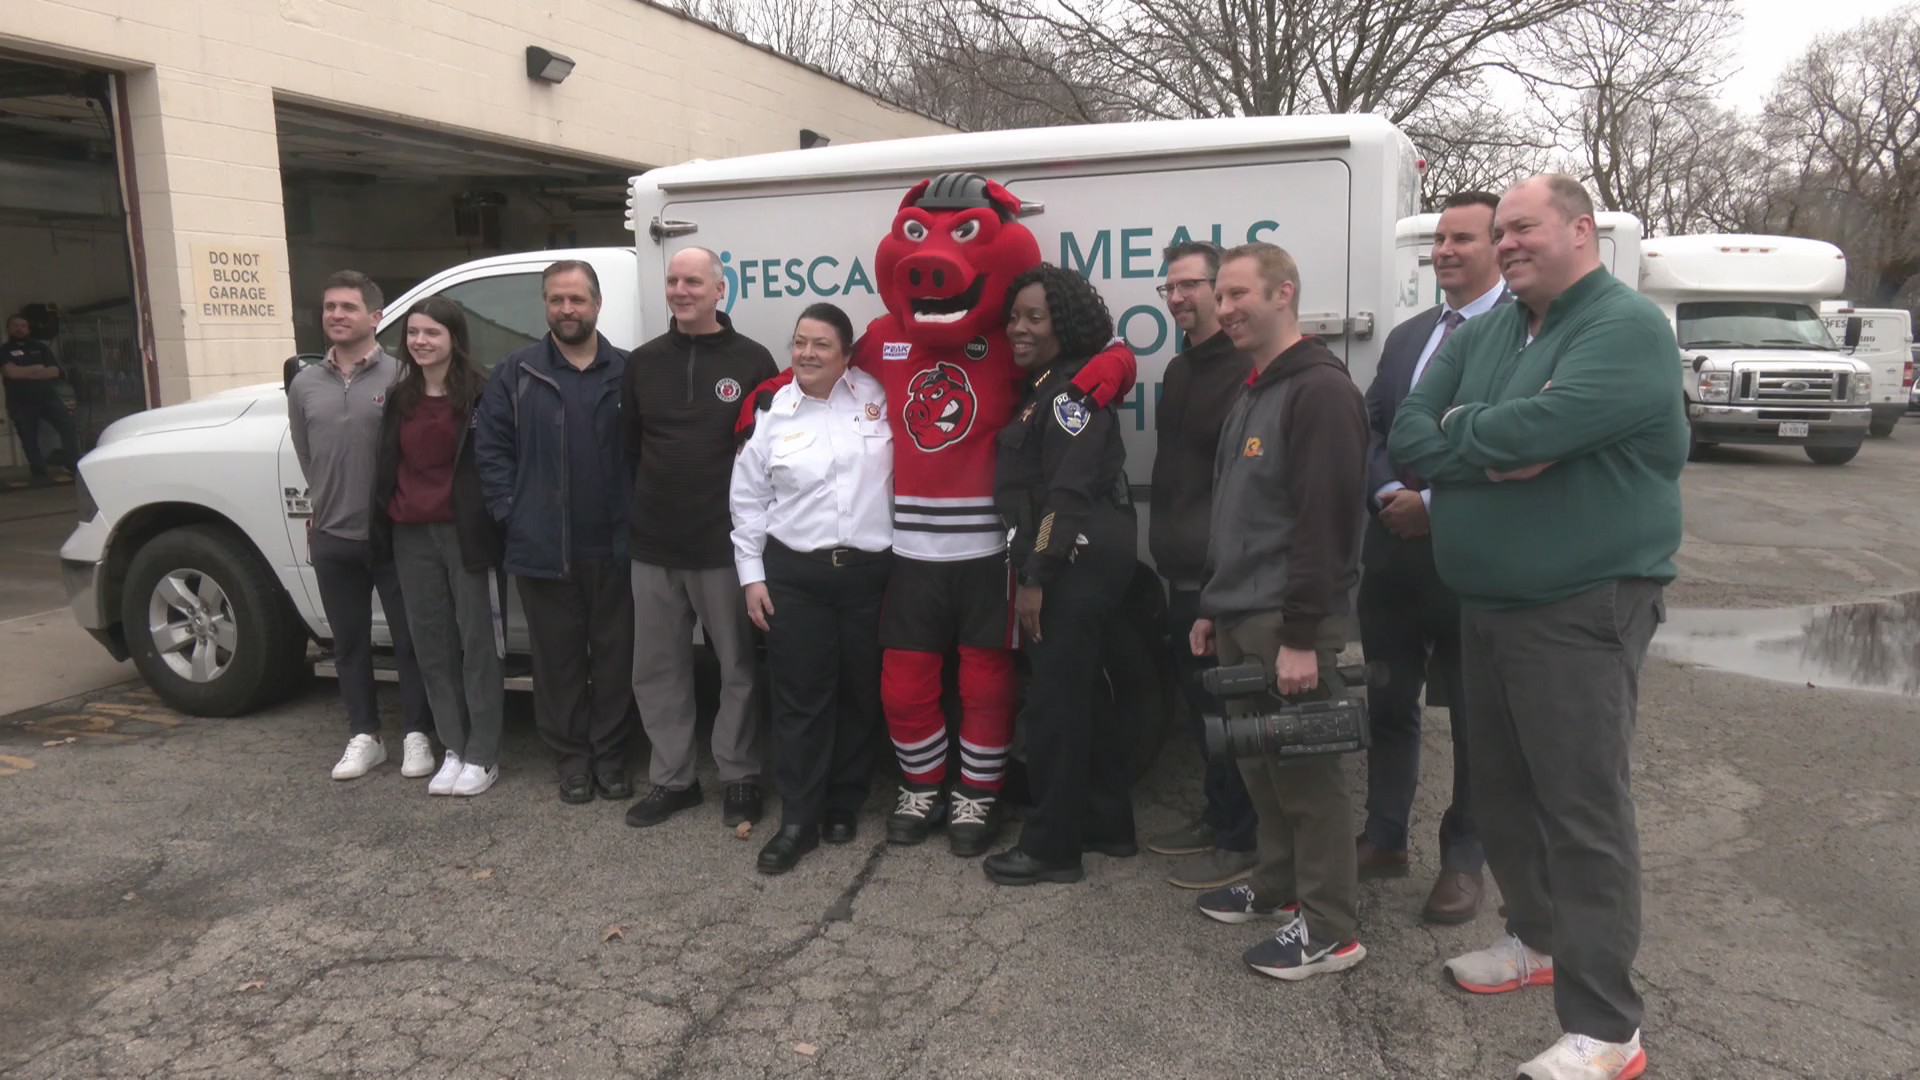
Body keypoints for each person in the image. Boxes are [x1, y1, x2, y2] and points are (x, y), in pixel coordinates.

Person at [734, 173, 1135, 859]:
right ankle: (920, 787)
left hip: (988, 550)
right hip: (908, 552)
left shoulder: (1007, 342)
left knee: (987, 678)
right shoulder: (885, 339)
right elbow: (822, 373)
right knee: (905, 682)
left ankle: (976, 794)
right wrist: (766, 394)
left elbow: (1090, 353)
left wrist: (1117, 369)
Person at [1389, 174, 1686, 1080]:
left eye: (1524, 228)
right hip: (1491, 602)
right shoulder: (1487, 330)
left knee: (1581, 810)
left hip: (1581, 605)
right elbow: (1409, 431)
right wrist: (1497, 442)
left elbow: (1544, 426)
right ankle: (1536, 941)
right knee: (1506, 797)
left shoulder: (1623, 327)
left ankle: (1607, 1028)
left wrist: (1475, 436)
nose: (1508, 243)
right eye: (1500, 232)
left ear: (1579, 231)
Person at [1188, 242, 1370, 981]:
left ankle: (1330, 930)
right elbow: (1242, 513)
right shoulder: (1257, 387)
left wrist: (1299, 638)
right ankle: (1277, 888)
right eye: (1221, 297)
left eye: (1238, 295)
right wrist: (1212, 605)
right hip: (1241, 615)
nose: (1224, 310)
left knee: (1308, 778)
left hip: (1290, 626)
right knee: (1263, 770)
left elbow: (1324, 524)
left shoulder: (1320, 391)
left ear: (1284, 293)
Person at [1356, 191, 1507, 923]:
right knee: (1387, 703)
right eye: (1439, 239)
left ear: (1499, 245)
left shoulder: (1520, 337)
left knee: (1476, 721)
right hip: (1390, 560)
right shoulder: (1408, 336)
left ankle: (1464, 860)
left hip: (1470, 564)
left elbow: (1508, 446)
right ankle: (1383, 837)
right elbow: (1374, 426)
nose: (1445, 250)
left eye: (1463, 239)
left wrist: (1435, 508)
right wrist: (1387, 487)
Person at [980, 265, 1138, 886]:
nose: (1019, 327)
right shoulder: (1048, 385)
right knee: (1086, 697)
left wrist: (1036, 577)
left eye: (1034, 317)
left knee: (1055, 706)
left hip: (1073, 561)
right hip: (1085, 555)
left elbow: (1065, 497)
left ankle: (1052, 848)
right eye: (1015, 316)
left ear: (1063, 324)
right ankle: (1106, 824)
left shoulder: (1070, 395)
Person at [728, 303, 891, 873]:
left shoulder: (877, 397)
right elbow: (747, 502)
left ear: (846, 354)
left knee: (859, 693)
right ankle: (799, 818)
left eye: (822, 344)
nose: (807, 354)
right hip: (796, 577)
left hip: (870, 576)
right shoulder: (773, 411)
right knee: (800, 700)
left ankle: (844, 801)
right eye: (800, 342)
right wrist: (752, 578)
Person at [623, 247, 779, 830]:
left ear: (720, 290)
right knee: (658, 669)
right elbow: (632, 447)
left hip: (725, 546)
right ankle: (673, 779)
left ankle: (739, 777)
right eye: (673, 280)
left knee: (737, 666)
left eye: (694, 281)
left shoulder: (752, 360)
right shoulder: (642, 363)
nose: (681, 290)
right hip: (655, 544)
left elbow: (766, 455)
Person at [475, 259, 634, 805]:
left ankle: (611, 759)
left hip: (617, 549)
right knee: (559, 663)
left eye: (577, 299)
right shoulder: (516, 373)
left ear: (596, 304)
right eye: (556, 300)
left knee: (616, 661)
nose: (567, 309)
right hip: (545, 548)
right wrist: (512, 513)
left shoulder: (628, 371)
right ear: (545, 305)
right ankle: (572, 760)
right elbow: (490, 452)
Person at [1142, 240, 1261, 891]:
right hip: (1182, 575)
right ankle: (1219, 816)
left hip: (1228, 582)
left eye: (1190, 285)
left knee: (1232, 712)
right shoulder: (1182, 370)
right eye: (1170, 288)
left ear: (1223, 290)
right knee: (1203, 712)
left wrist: (1221, 582)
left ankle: (1241, 837)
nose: (1178, 298)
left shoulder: (1247, 370)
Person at [287, 271, 434, 781]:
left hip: (393, 534)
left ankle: (417, 734)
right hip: (331, 535)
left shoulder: (401, 377)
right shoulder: (304, 383)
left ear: (375, 317)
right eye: (329, 307)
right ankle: (365, 735)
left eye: (348, 307)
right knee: (348, 644)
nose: (336, 315)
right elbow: (308, 455)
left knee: (410, 639)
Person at [370, 297, 505, 798]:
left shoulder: (481, 394)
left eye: (432, 333)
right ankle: (453, 745)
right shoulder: (398, 398)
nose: (421, 342)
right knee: (432, 646)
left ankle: (483, 755)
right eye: (413, 333)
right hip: (411, 535)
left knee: (477, 646)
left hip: (466, 535)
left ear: (454, 338)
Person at [3, 313, 83, 484]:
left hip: (48, 398)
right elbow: (11, 373)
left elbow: (54, 371)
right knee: (28, 437)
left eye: (23, 325)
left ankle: (72, 465)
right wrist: (38, 369)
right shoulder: (4, 350)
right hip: (20, 402)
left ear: (28, 329)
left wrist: (25, 371)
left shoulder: (41, 348)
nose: (19, 328)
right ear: (8, 329)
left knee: (68, 427)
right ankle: (38, 472)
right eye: (15, 325)